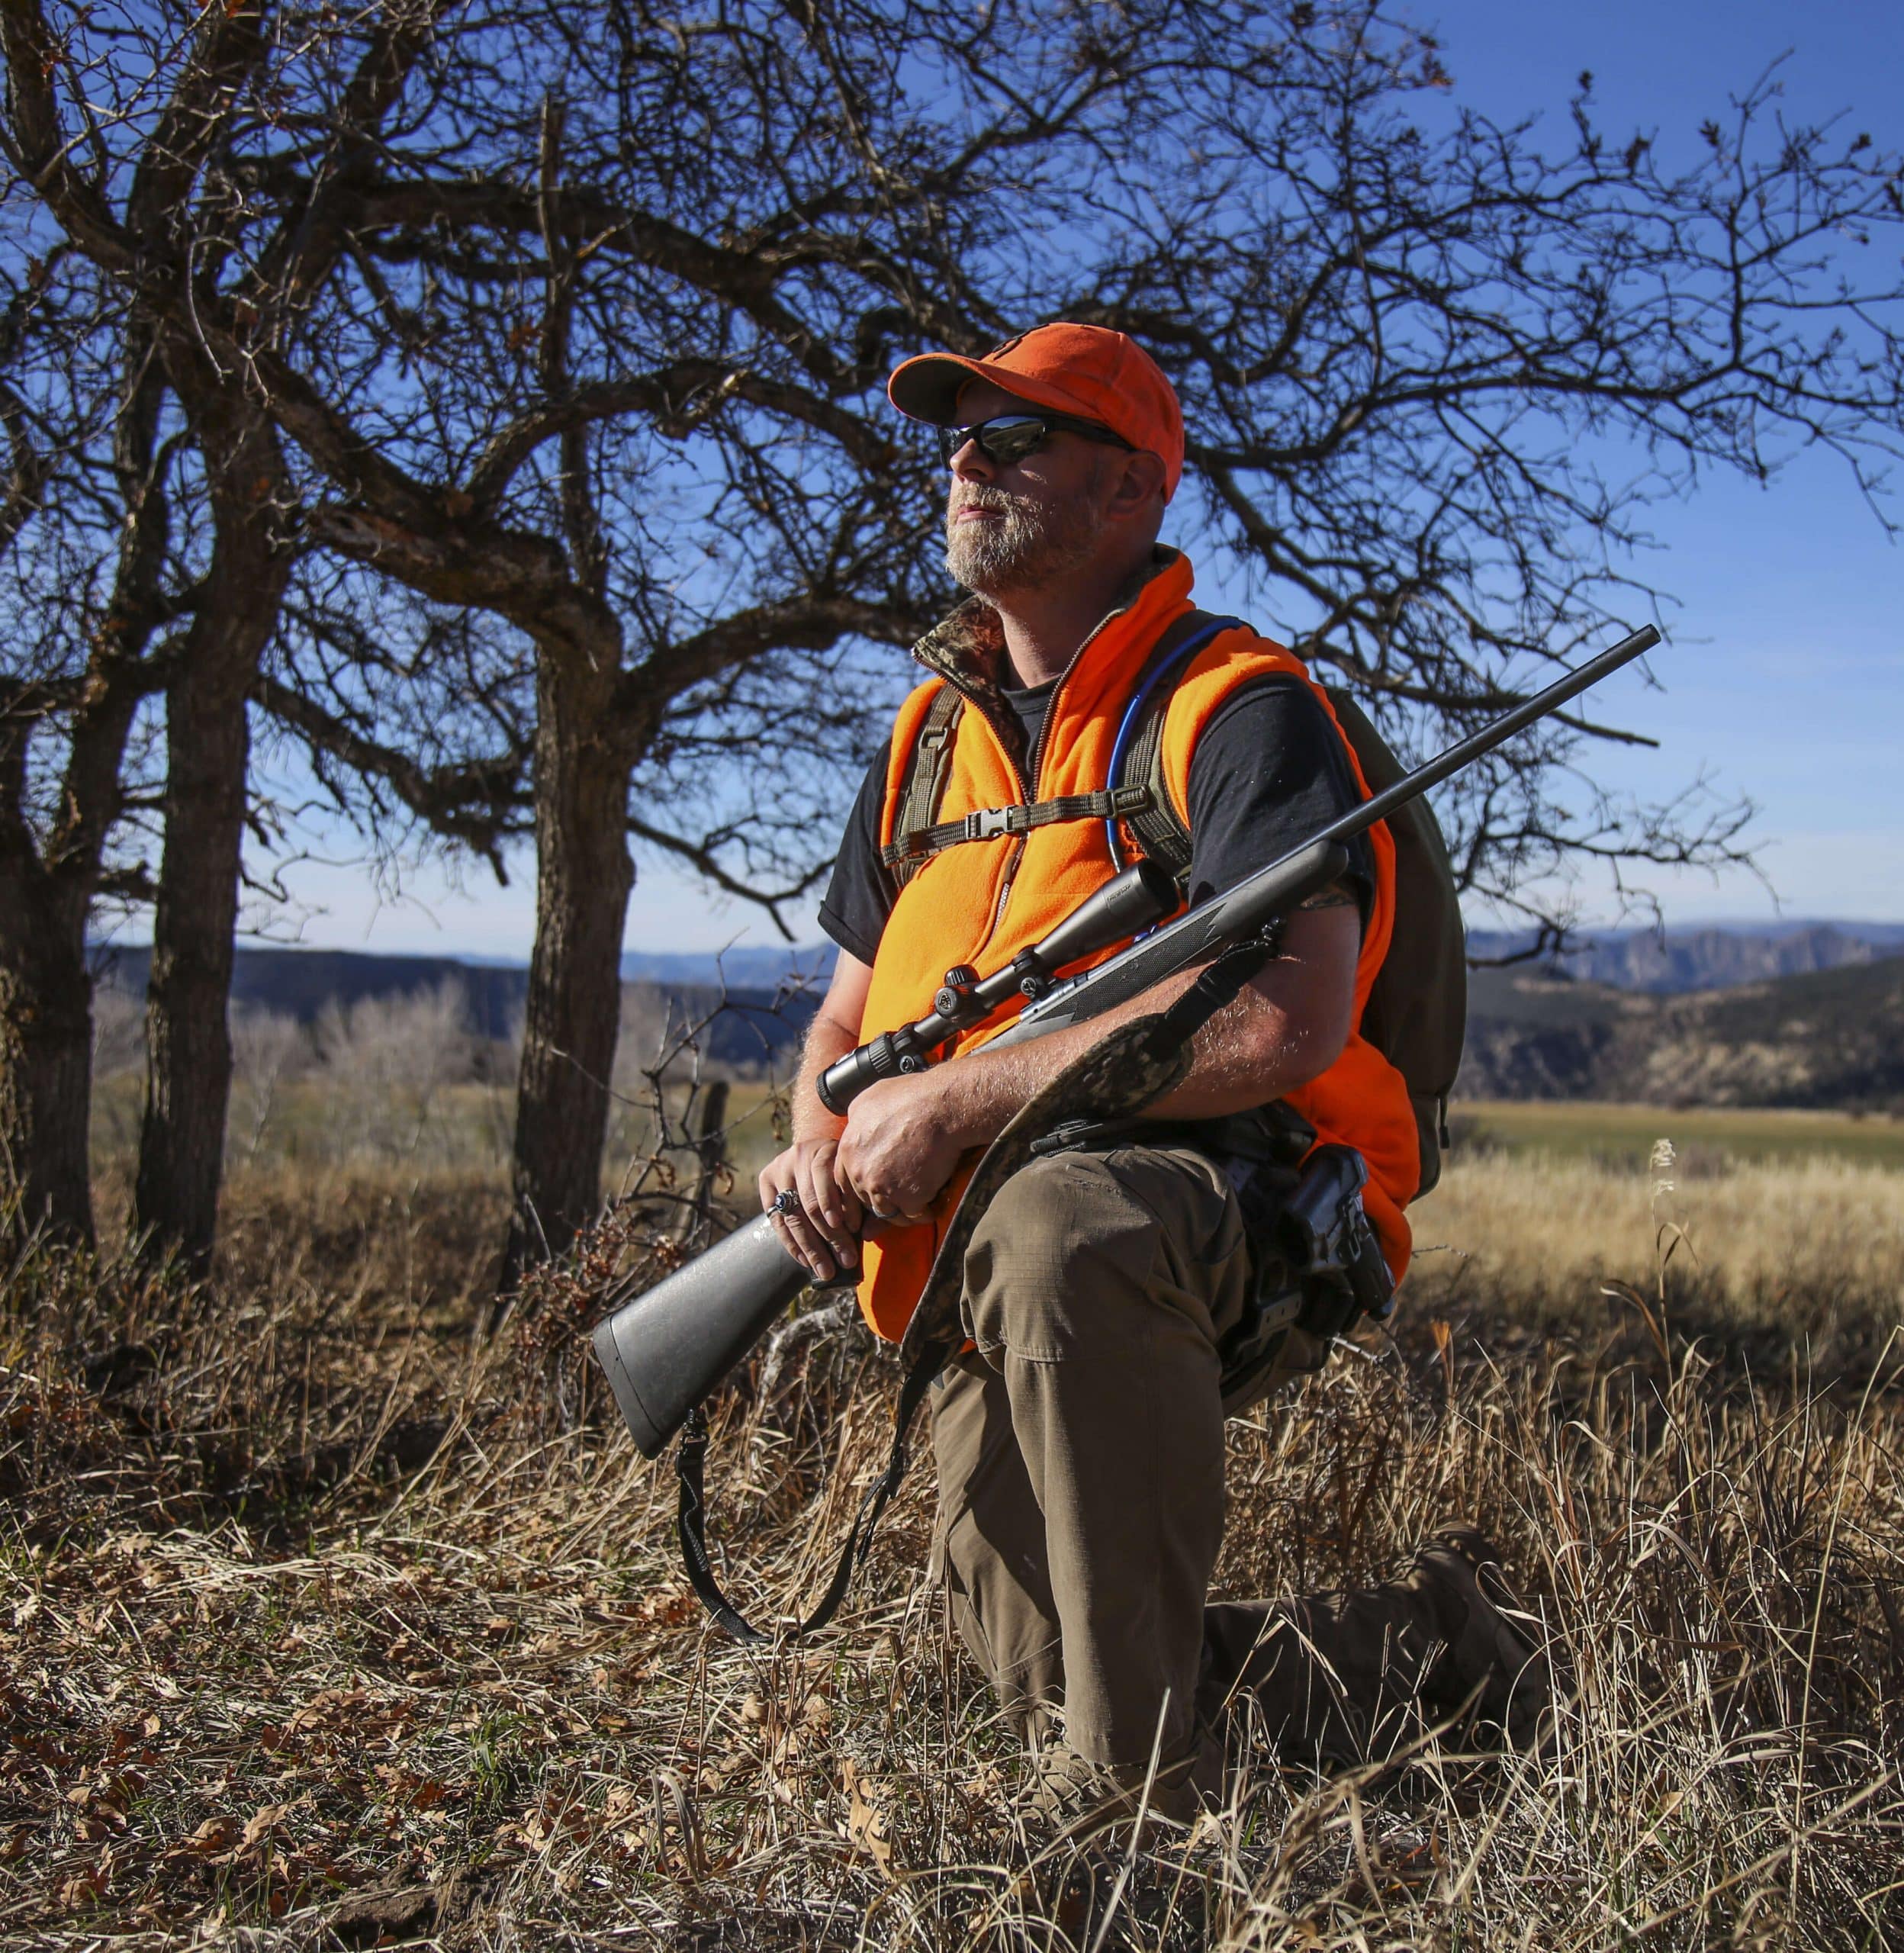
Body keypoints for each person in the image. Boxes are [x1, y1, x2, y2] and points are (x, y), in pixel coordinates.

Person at [758, 323, 1545, 1826]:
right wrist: (818, 1146)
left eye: (1014, 436)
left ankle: (1132, 1830)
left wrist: (961, 1102)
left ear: (1131, 487)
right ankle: (1435, 1649)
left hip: (1223, 1204)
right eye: (958, 435)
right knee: (1039, 1667)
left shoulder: (1237, 706)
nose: (967, 462)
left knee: (1064, 1230)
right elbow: (843, 1024)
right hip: (969, 1249)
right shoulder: (927, 736)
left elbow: (1290, 1019)